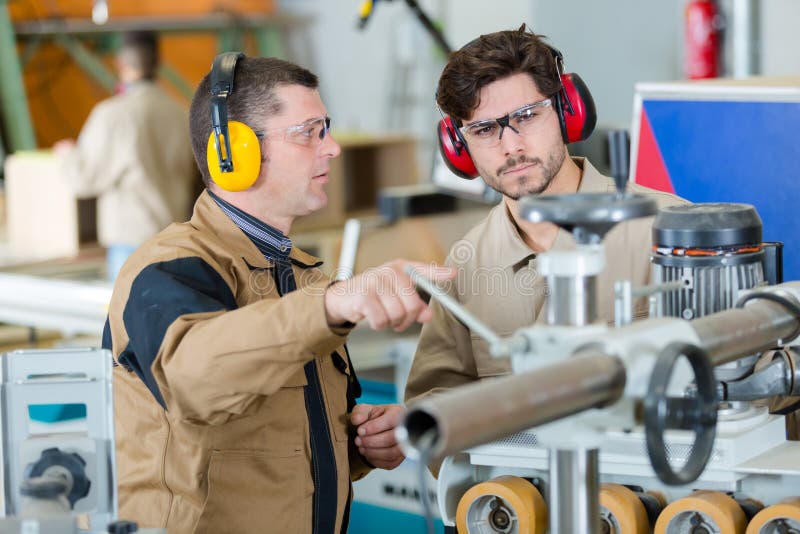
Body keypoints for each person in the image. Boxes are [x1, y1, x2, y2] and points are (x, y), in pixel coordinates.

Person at [102, 52, 454, 534]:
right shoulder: (168, 268)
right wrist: (332, 304)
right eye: (310, 132)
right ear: (233, 152)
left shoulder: (300, 273)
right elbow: (193, 380)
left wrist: (361, 440)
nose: (332, 149)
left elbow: (270, 441)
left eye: (326, 129)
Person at [404, 26, 686, 411]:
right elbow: (437, 404)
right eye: (485, 130)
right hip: (517, 474)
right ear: (459, 148)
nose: (511, 145)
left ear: (567, 110)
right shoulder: (465, 263)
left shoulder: (669, 230)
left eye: (527, 115)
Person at [54, 31, 196, 281]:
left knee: (125, 318)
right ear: (158, 63)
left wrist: (67, 155)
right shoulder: (181, 113)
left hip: (131, 246)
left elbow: (85, 180)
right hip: (175, 241)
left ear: (121, 65)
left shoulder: (112, 115)